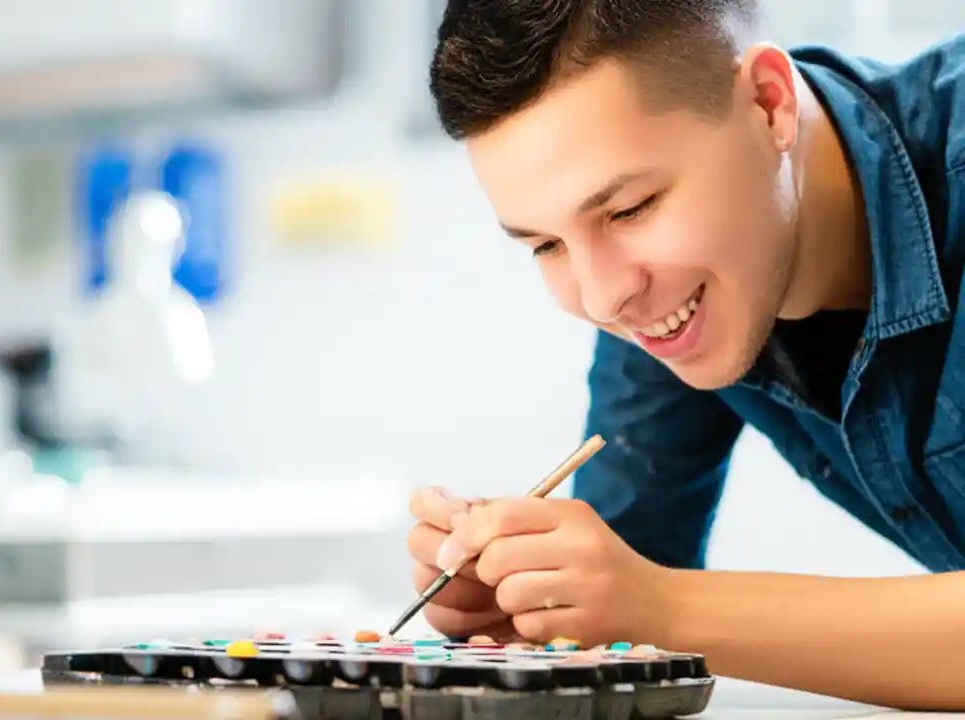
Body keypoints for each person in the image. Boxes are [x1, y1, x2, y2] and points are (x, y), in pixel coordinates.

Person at [404, 0, 965, 710]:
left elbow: (647, 599)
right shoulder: (669, 305)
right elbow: (619, 616)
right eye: (545, 245)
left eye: (630, 209)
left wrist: (662, 606)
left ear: (768, 102)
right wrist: (531, 599)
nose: (604, 298)